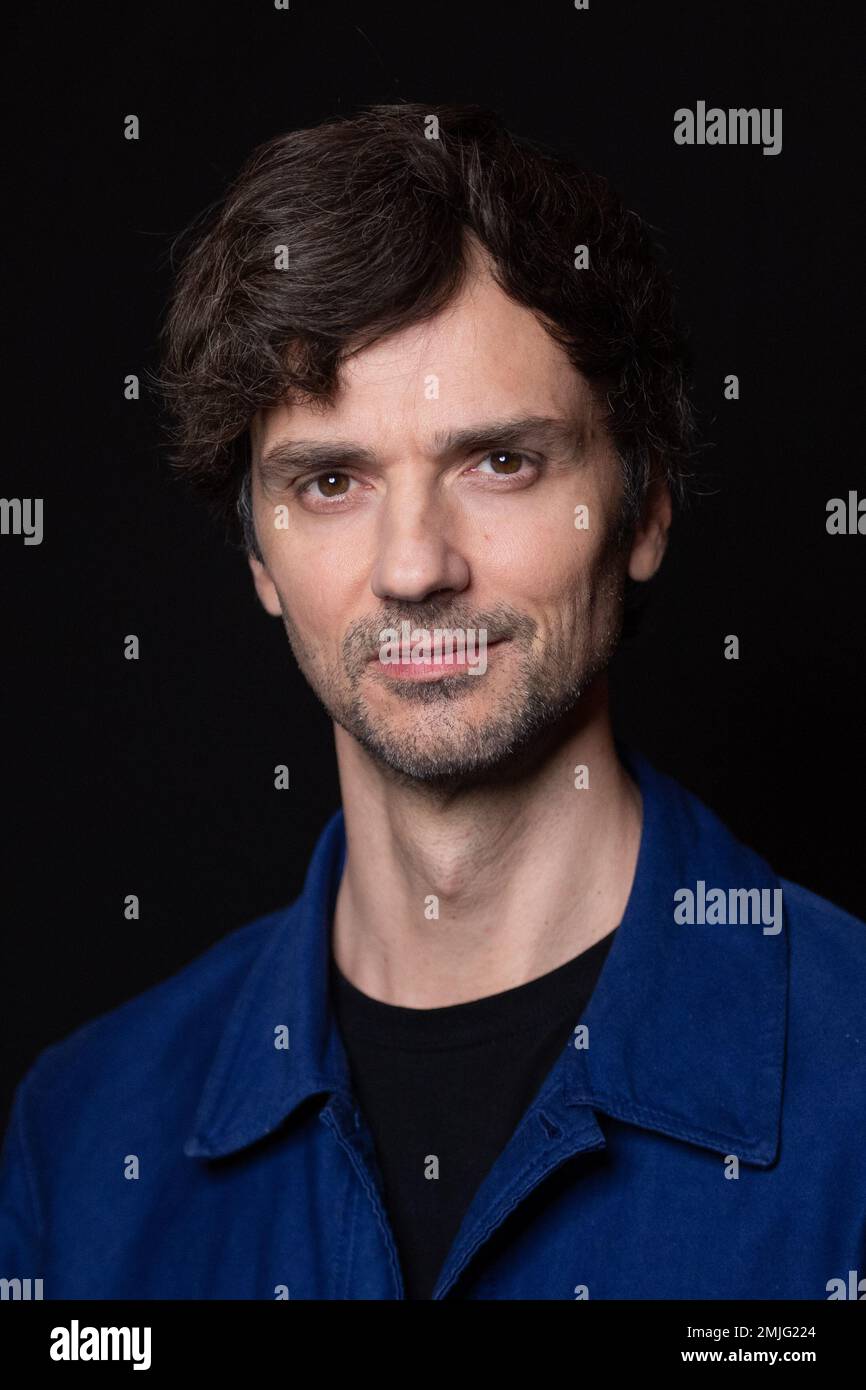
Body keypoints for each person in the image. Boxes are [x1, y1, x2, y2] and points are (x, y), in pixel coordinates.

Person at [1, 103, 863, 1301]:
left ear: (644, 505)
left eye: (498, 462)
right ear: (259, 556)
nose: (414, 566)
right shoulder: (83, 1140)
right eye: (330, 480)